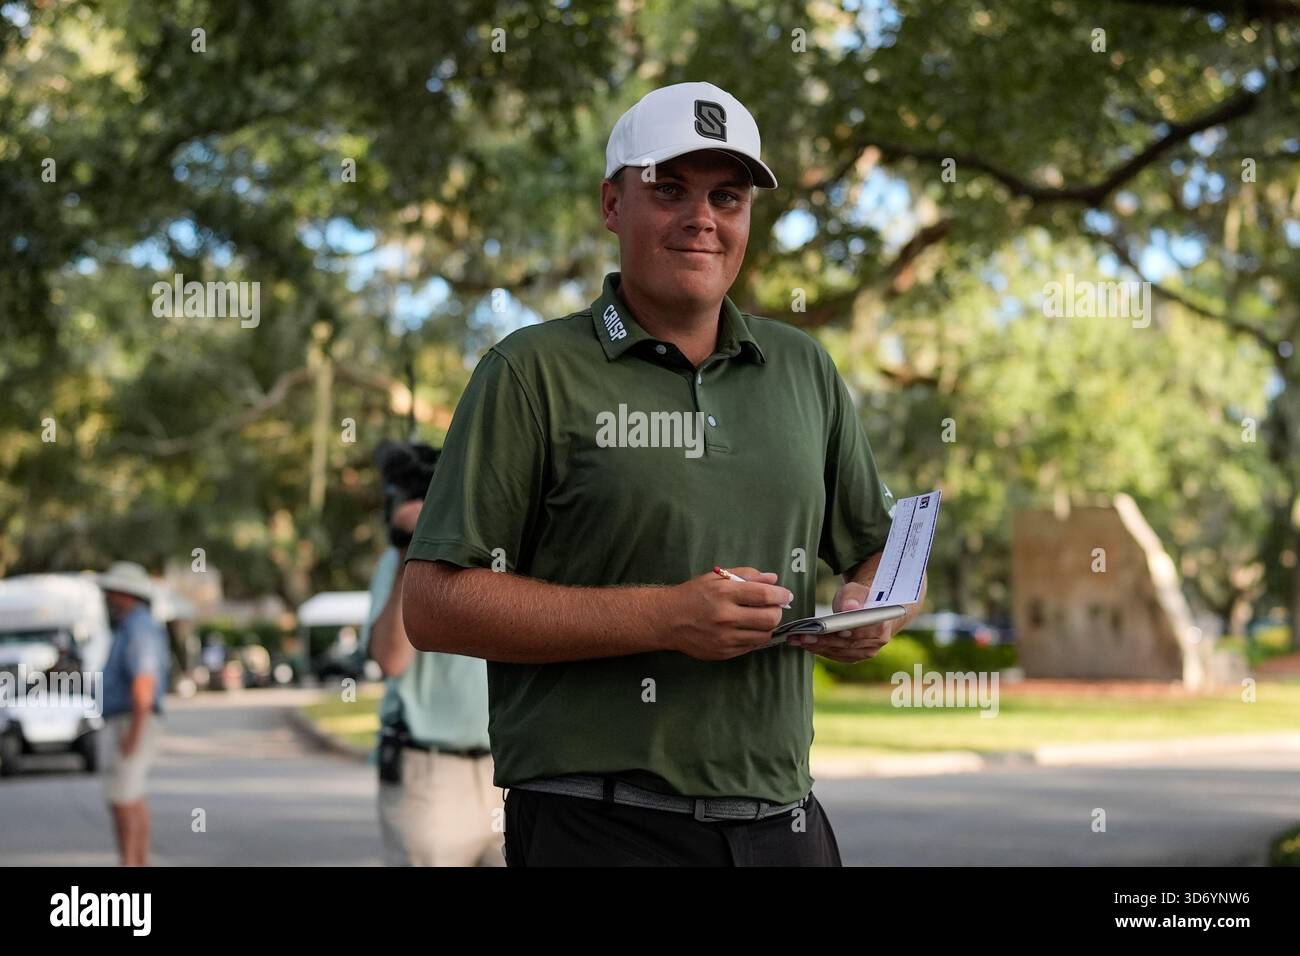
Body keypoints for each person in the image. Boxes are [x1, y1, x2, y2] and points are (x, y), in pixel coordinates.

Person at [401, 81, 927, 866]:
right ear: (614, 205)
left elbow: (881, 548)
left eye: (728, 196)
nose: (703, 219)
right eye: (669, 190)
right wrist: (662, 618)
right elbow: (434, 605)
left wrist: (874, 607)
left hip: (784, 821)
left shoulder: (802, 369)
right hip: (599, 828)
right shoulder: (529, 372)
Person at [363, 440, 504, 866]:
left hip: (508, 772)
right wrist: (412, 550)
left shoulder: (502, 547)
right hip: (431, 775)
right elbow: (391, 660)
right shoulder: (398, 562)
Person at [97, 561, 169, 867]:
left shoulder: (139, 626)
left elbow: (143, 682)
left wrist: (134, 733)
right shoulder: (130, 625)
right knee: (130, 797)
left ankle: (129, 863)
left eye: (113, 591)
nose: (108, 597)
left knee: (124, 798)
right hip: (127, 717)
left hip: (132, 718)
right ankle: (136, 862)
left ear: (126, 593)